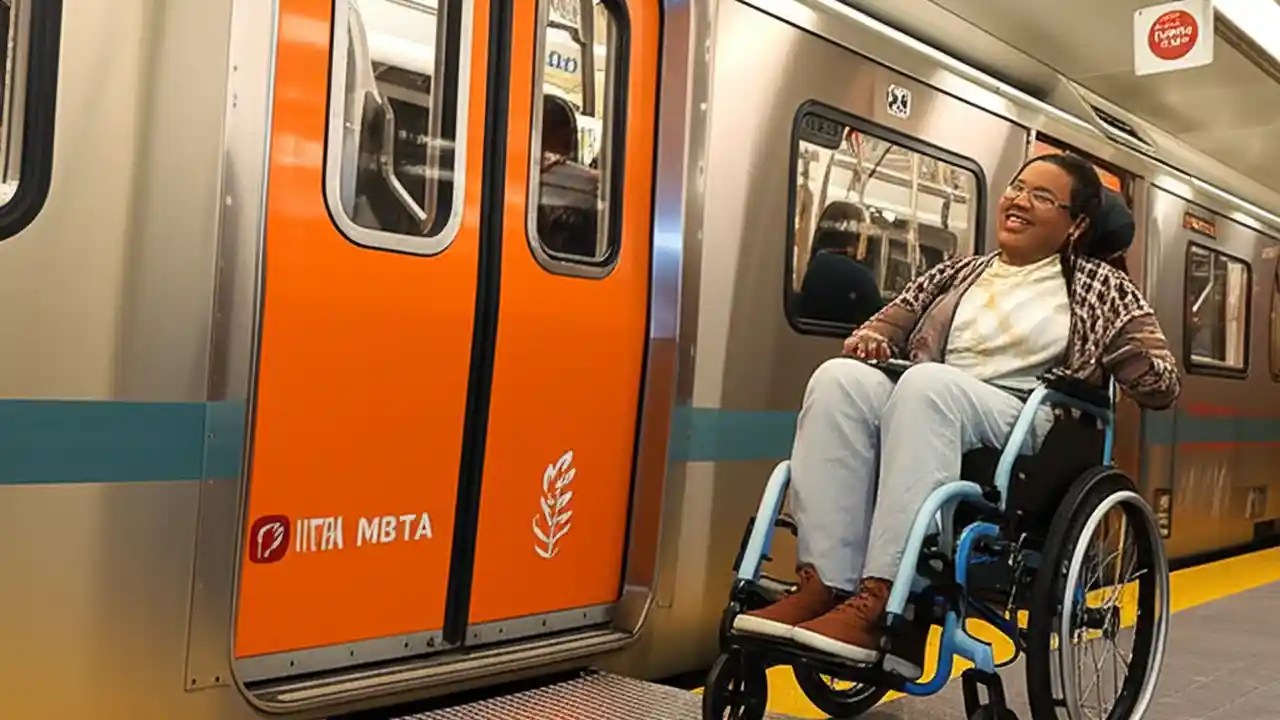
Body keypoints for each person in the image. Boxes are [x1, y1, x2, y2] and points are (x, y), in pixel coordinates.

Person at [732, 154, 1181, 678]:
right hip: (932, 398)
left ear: (1075, 224)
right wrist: (873, 337)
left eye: (1042, 197)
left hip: (1025, 417)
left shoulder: (1103, 288)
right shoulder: (960, 272)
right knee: (840, 379)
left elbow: (1163, 385)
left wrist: (1129, 359)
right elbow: (888, 322)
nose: (1019, 201)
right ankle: (824, 584)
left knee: (927, 386)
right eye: (1017, 188)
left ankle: (888, 599)